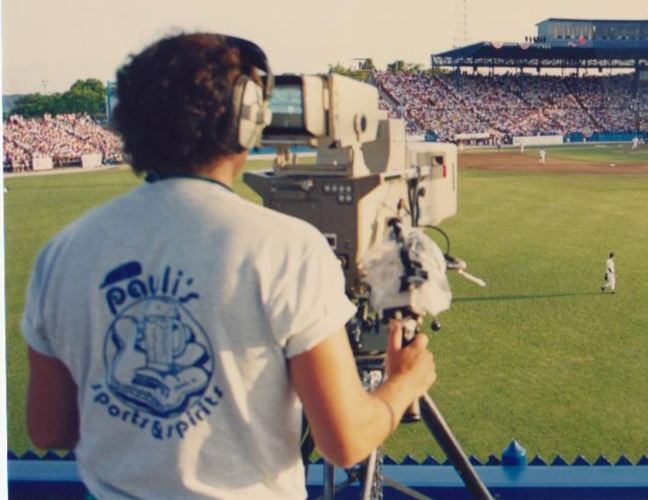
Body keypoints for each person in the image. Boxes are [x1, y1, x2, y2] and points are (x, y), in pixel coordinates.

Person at [22, 33, 436, 500]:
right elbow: (345, 443)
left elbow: (49, 428)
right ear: (245, 122)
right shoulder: (287, 249)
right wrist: (403, 383)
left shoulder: (62, 252)